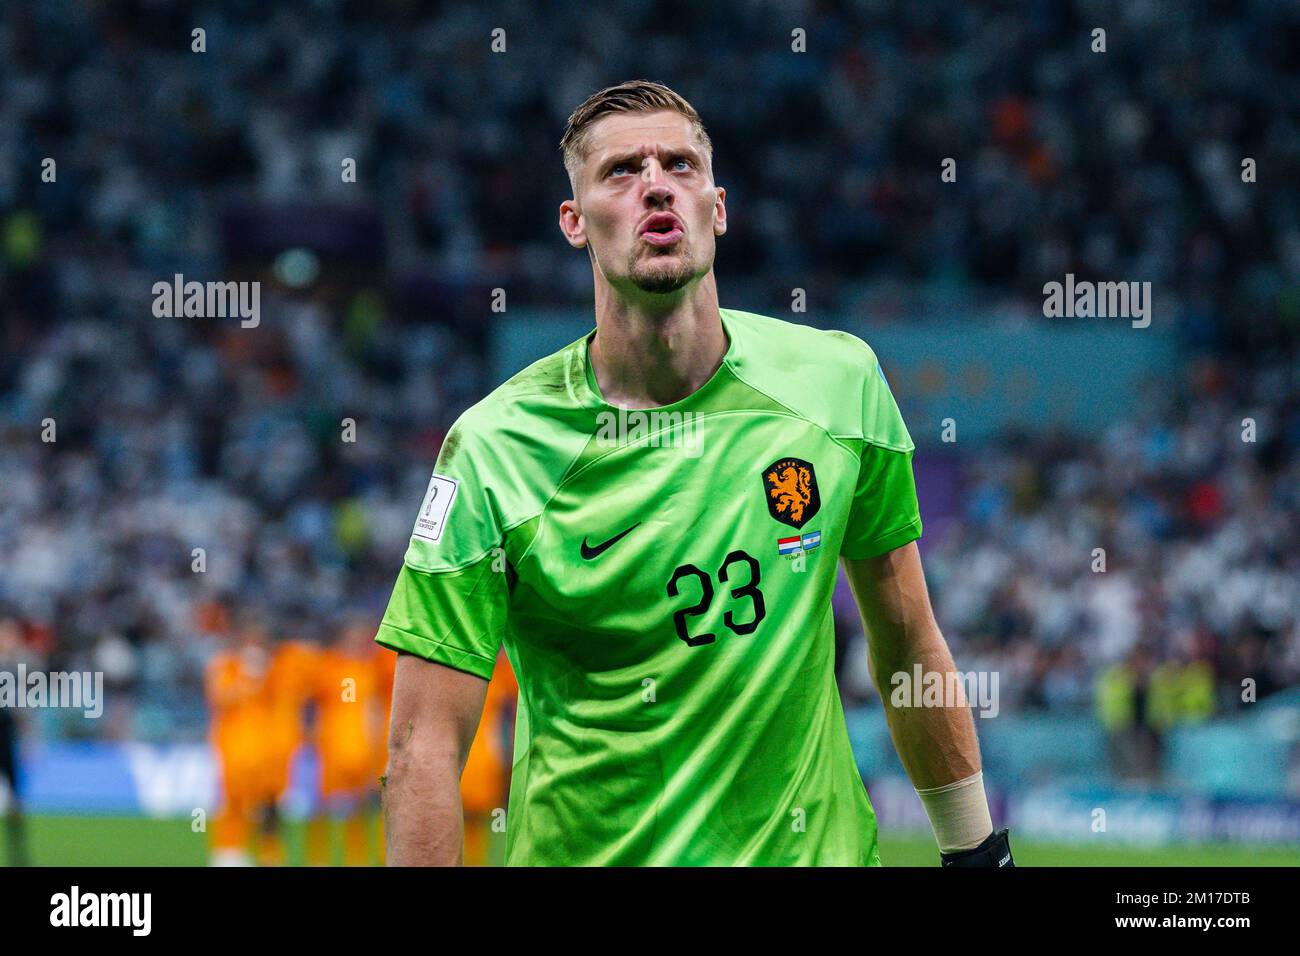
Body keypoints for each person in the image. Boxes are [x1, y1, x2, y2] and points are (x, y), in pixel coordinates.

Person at [378, 80, 1012, 867]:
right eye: (620, 171)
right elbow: (424, 746)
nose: (655, 184)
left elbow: (909, 644)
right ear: (575, 224)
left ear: (717, 208)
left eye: (678, 164)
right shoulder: (494, 450)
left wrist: (978, 854)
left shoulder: (839, 387)